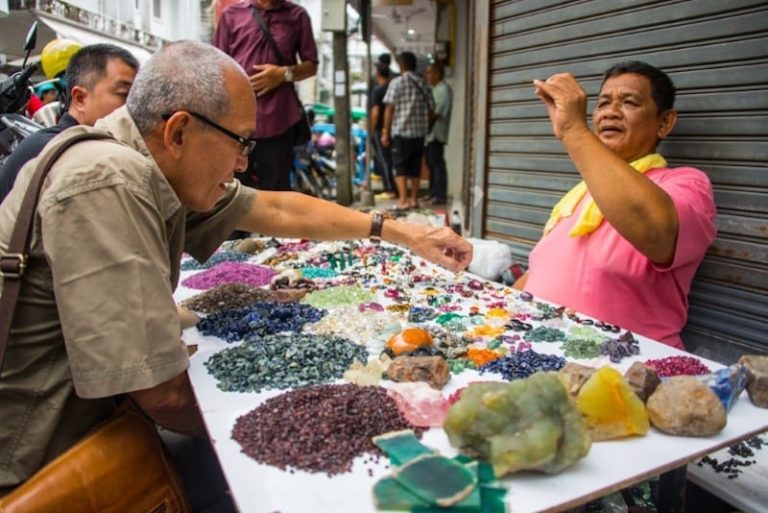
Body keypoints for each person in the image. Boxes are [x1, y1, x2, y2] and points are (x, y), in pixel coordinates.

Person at [0, 41, 472, 508]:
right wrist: (308, 420)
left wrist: (399, 232)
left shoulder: (155, 165)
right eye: (240, 142)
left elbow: (274, 207)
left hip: (97, 425)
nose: (244, 161)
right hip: (41, 463)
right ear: (180, 131)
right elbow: (160, 393)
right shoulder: (107, 180)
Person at [513, 61, 716, 350]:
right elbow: (540, 274)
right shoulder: (580, 195)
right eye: (603, 103)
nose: (610, 111)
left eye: (629, 102)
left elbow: (655, 230)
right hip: (539, 351)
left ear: (665, 122)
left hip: (625, 368)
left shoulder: (686, 184)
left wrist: (573, 130)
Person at [0, 44, 139, 203]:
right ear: (80, 98)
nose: (133, 107)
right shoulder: (48, 151)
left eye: (137, 98)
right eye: (124, 95)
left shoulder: (101, 149)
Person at [214, 0, 318, 191]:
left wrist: (283, 73)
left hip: (279, 120)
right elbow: (216, 66)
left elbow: (312, 65)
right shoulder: (231, 15)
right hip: (236, 124)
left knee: (277, 192)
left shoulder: (297, 15)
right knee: (232, 191)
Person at [382, 51, 435, 210]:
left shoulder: (396, 83)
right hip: (419, 133)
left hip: (401, 132)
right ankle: (414, 199)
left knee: (400, 167)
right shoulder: (424, 83)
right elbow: (432, 109)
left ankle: (403, 199)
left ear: (401, 65)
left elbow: (389, 109)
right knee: (415, 167)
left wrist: (385, 131)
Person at [424, 61, 453, 206]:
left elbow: (436, 113)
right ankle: (432, 193)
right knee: (431, 164)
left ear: (438, 73)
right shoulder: (433, 89)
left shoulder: (443, 90)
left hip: (436, 133)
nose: (427, 76)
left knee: (437, 164)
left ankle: (440, 195)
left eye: (430, 72)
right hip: (429, 135)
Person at [369, 62, 396, 199]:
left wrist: (372, 130)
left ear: (378, 74)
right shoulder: (392, 88)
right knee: (389, 159)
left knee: (383, 159)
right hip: (394, 129)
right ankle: (392, 187)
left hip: (381, 130)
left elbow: (375, 113)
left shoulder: (378, 90)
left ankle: (390, 189)